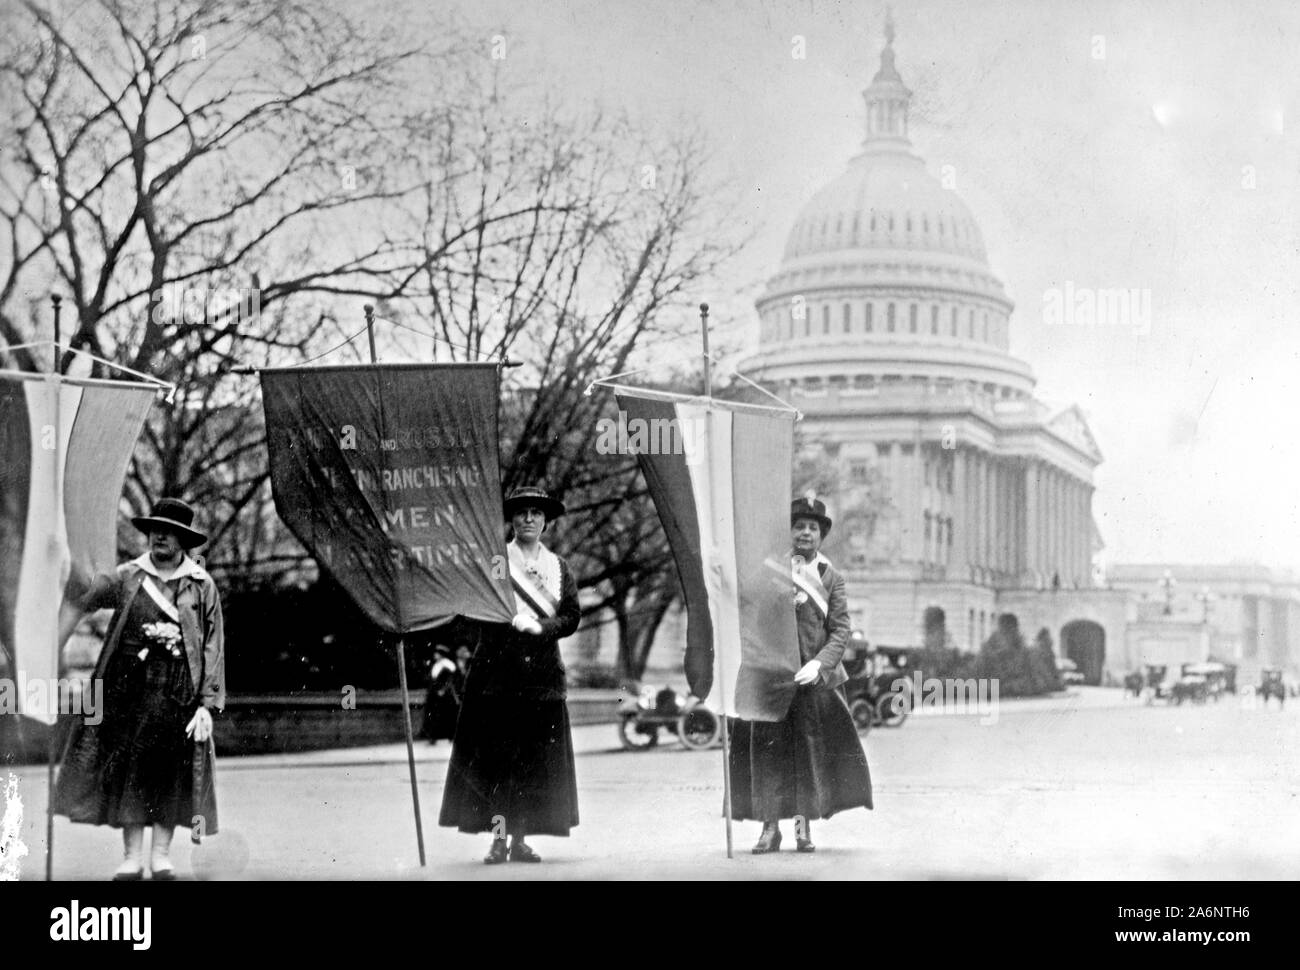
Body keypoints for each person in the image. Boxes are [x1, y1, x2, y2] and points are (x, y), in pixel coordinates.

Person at [53, 497, 224, 880]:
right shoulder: (128, 576)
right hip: (128, 693)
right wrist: (66, 569)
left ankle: (161, 856)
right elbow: (84, 596)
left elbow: (213, 646)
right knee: (130, 774)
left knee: (167, 776)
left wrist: (206, 705)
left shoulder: (201, 586)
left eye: (170, 532)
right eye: (155, 530)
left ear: (183, 541)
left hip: (178, 694)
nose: (160, 537)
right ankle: (131, 857)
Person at [438, 485, 580, 863]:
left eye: (536, 513)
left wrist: (543, 628)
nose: (529, 519)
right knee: (500, 767)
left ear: (546, 522)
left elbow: (571, 616)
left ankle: (519, 840)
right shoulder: (497, 562)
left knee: (534, 767)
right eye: (521, 513)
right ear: (512, 520)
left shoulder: (559, 567)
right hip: (498, 678)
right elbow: (474, 608)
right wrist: (508, 620)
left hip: (543, 680)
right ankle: (499, 840)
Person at [728, 497, 872, 853]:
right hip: (770, 679)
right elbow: (748, 616)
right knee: (767, 752)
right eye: (799, 526)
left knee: (807, 754)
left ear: (821, 536)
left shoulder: (830, 576)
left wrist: (819, 664)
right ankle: (768, 827)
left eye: (812, 527)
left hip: (811, 682)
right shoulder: (767, 571)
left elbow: (840, 630)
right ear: (789, 532)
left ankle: (802, 826)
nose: (805, 532)